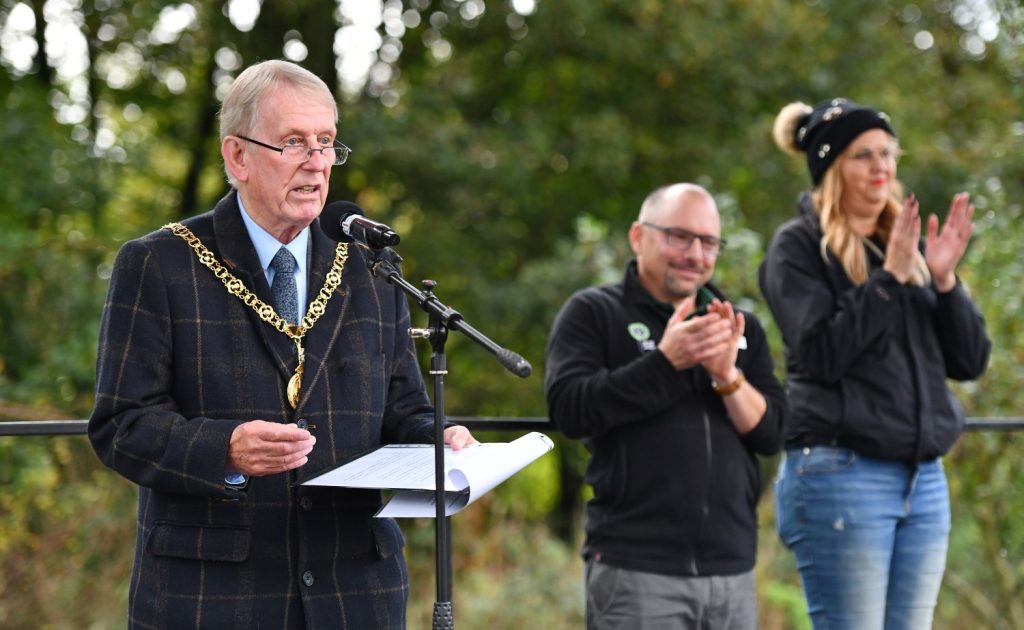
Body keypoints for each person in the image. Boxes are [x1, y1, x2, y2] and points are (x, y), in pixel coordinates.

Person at [87, 59, 476, 629]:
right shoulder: (159, 264)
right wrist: (225, 450)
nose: (317, 164)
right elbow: (120, 427)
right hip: (211, 596)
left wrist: (436, 438)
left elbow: (402, 411)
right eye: (294, 142)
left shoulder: (372, 270)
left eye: (327, 143)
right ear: (237, 156)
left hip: (354, 594)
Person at [760, 98, 991, 629]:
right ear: (831, 166)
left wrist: (946, 281)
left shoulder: (905, 244)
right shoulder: (796, 248)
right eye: (864, 154)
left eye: (888, 152)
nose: (882, 166)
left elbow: (969, 360)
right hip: (841, 472)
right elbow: (819, 355)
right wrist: (887, 280)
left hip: (923, 479)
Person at [545, 183, 787, 629]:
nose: (695, 253)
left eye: (709, 241)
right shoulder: (594, 312)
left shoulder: (736, 324)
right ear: (639, 236)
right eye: (680, 236)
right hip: (637, 570)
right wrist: (665, 362)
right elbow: (569, 409)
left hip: (732, 570)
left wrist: (726, 376)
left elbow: (772, 434)